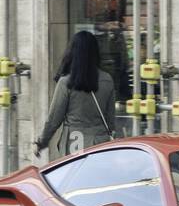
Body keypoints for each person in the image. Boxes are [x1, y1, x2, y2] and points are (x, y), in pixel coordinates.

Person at [35, 29, 117, 159]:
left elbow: (54, 119)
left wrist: (42, 141)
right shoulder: (107, 79)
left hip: (74, 143)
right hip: (100, 144)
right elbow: (110, 119)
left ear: (72, 52)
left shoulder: (66, 82)